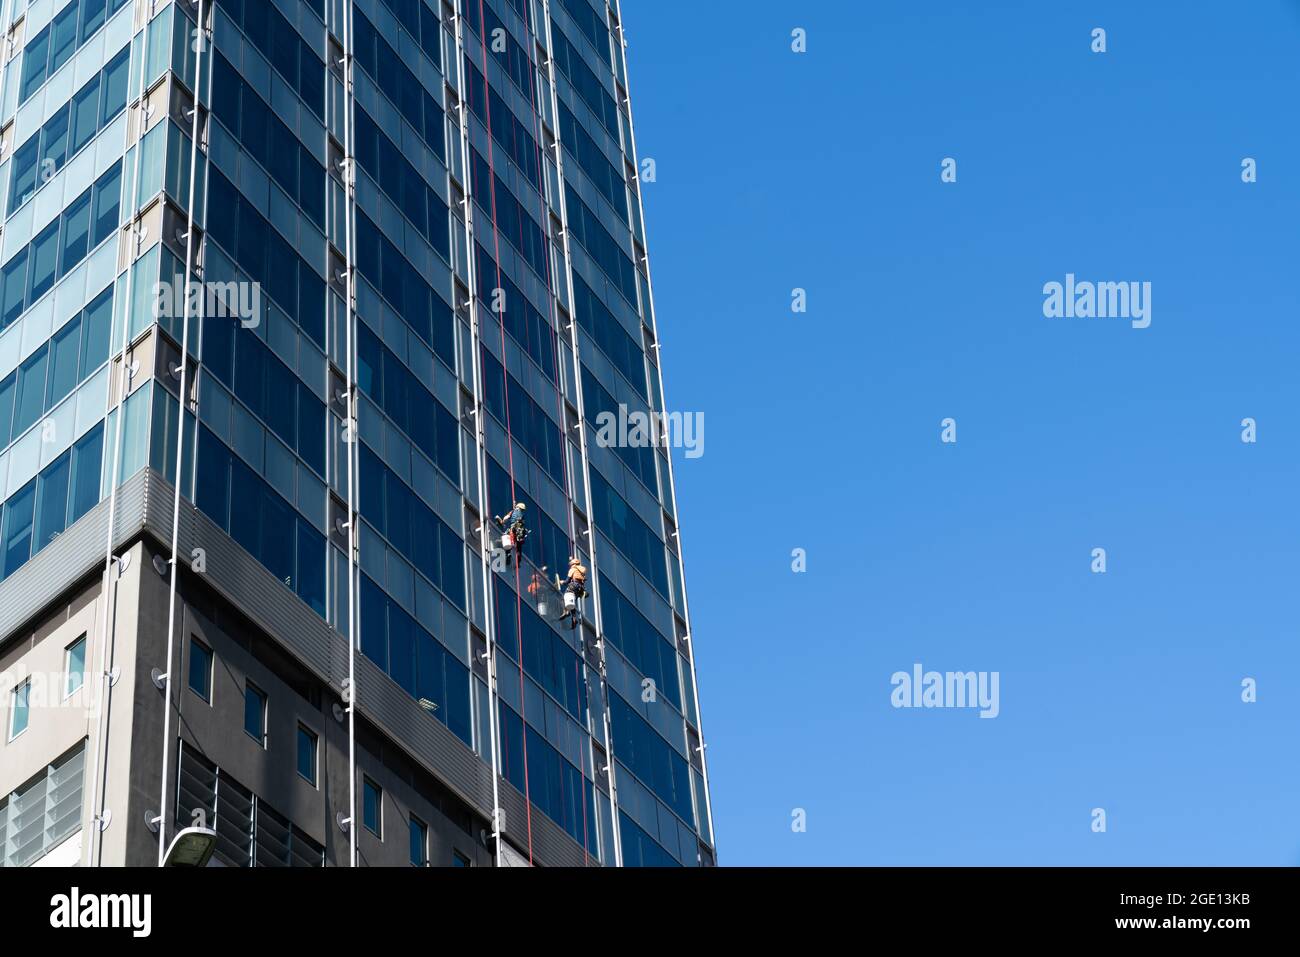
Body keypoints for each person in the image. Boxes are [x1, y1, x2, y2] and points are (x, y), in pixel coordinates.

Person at [556, 557, 588, 625]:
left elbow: (567, 581)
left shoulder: (573, 569)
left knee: (564, 598)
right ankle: (574, 618)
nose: (570, 566)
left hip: (573, 585)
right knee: (571, 601)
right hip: (580, 588)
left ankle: (566, 612)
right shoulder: (581, 570)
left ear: (573, 564)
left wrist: (561, 582)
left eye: (571, 564)